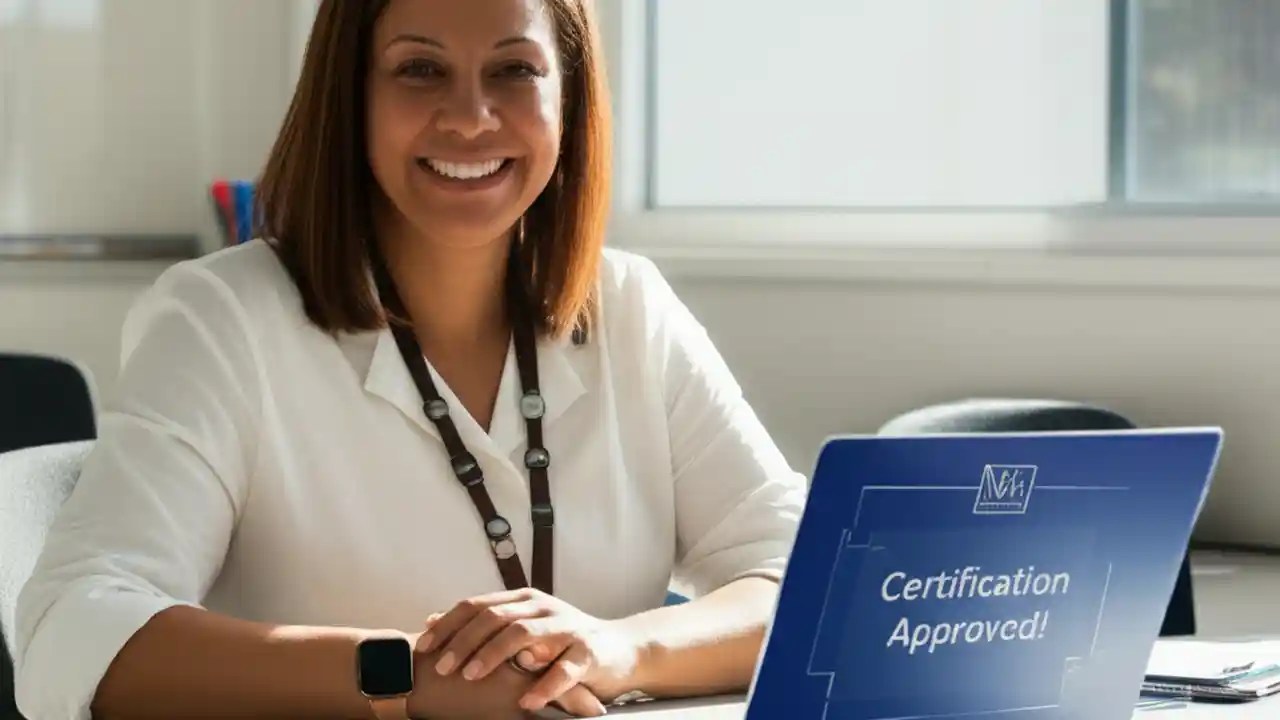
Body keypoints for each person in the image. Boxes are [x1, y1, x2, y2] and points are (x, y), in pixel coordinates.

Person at [12, 0, 807, 718]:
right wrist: (406, 677)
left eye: (514, 71)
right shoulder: (221, 317)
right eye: (419, 70)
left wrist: (615, 648)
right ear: (350, 96)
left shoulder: (630, 303)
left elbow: (817, 579)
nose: (469, 118)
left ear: (568, 98)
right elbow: (72, 631)